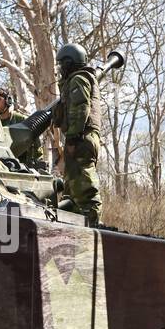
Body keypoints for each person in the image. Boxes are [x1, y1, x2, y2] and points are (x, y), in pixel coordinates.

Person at [52, 44, 103, 226]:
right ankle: (77, 217)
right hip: (83, 136)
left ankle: (92, 219)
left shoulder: (78, 79)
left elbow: (81, 108)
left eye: (61, 64)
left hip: (82, 137)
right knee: (73, 183)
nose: (60, 69)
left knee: (83, 180)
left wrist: (73, 136)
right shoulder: (79, 78)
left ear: (69, 62)